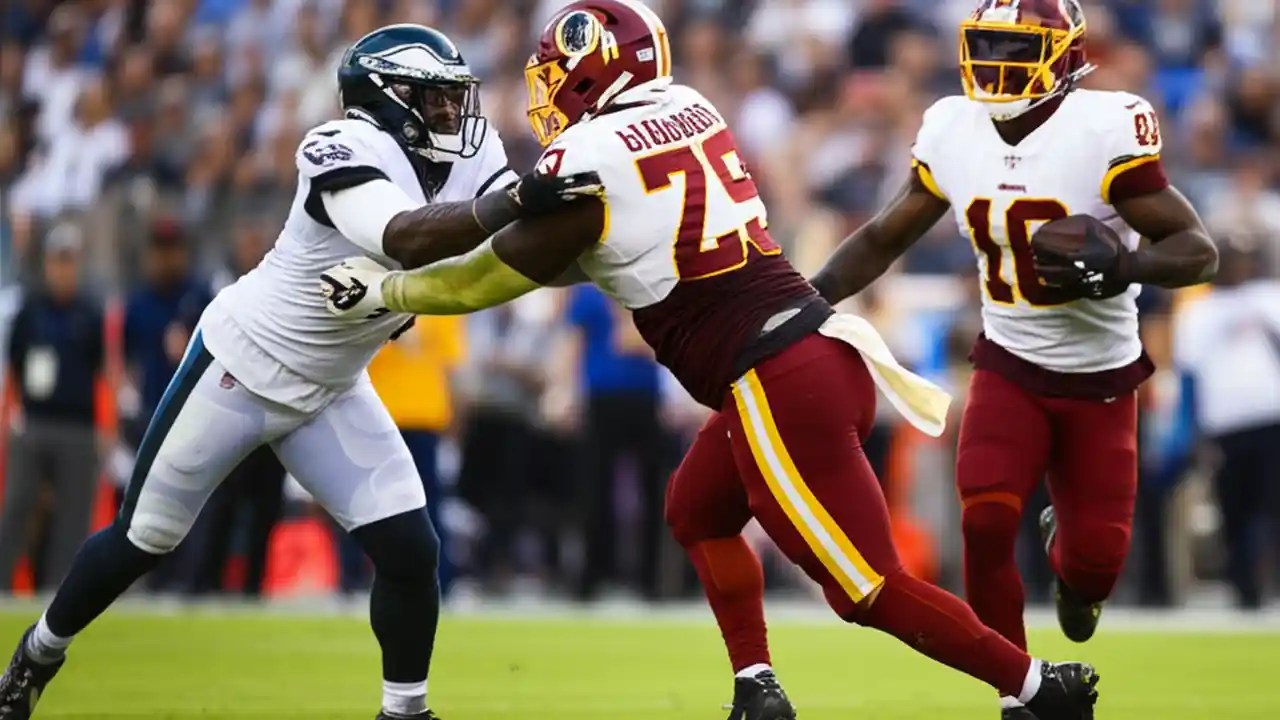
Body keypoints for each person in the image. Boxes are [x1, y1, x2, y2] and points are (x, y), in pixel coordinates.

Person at [318, 3, 1101, 720]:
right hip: (804, 353)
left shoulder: (589, 152)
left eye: (558, 73)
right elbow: (579, 252)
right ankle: (756, 688)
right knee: (695, 509)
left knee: (866, 588)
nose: (550, 92)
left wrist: (391, 288)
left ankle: (1036, 686)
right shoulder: (690, 106)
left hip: (773, 375)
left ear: (594, 68)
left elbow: (494, 274)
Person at [0, 24, 601, 720]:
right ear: (387, 100)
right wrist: (527, 197)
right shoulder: (340, 145)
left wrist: (607, 254)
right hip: (244, 365)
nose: (451, 116)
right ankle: (38, 653)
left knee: (411, 549)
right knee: (145, 538)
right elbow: (403, 234)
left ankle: (405, 711)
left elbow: (520, 249)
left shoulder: (472, 156)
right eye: (433, 101)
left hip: (334, 386)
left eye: (452, 99)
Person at [807, 1, 1218, 718]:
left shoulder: (1102, 128)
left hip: (1100, 378)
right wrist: (806, 303)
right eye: (988, 42)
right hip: (1009, 364)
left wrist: (1120, 264)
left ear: (1063, 57)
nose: (997, 59)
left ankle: (1073, 564)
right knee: (986, 522)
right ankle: (1017, 692)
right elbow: (883, 237)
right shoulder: (952, 126)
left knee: (1092, 574)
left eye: (1015, 45)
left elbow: (1197, 250)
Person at [1174, 243, 1280, 609]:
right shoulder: (1200, 310)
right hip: (1226, 423)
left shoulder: (1269, 298)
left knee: (1271, 504)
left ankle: (1271, 583)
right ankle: (1244, 588)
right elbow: (1188, 361)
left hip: (1270, 417)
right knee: (1234, 508)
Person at [0, 224, 104, 592]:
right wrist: (11, 417)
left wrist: (100, 431)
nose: (63, 270)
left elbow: (100, 371)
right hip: (35, 422)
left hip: (76, 425)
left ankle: (59, 597)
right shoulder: (30, 311)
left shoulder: (89, 313)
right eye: (58, 261)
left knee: (72, 519)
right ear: (47, 264)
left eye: (69, 261)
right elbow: (13, 366)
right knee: (17, 508)